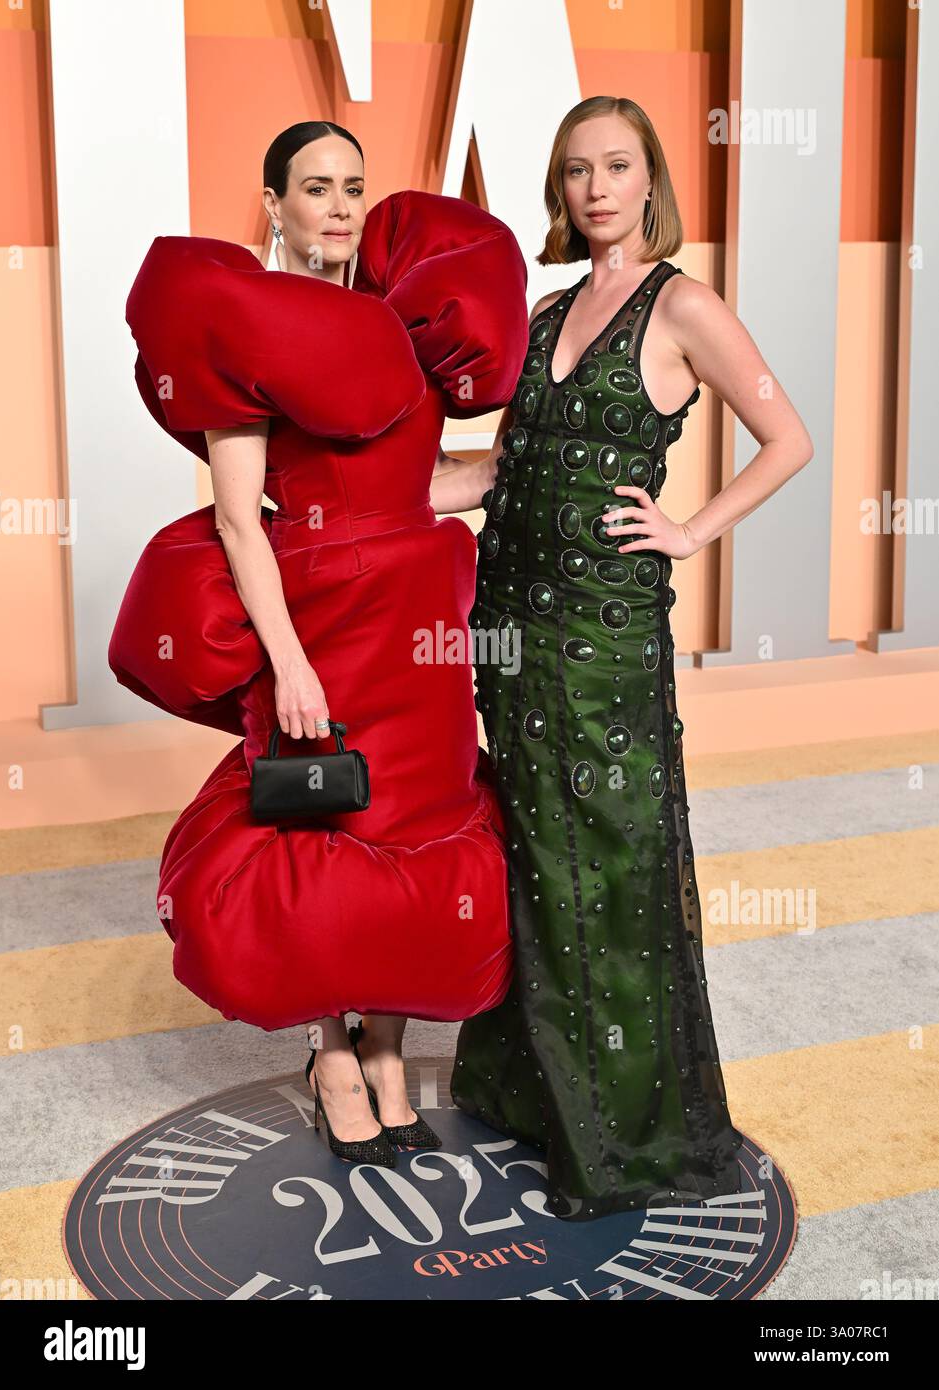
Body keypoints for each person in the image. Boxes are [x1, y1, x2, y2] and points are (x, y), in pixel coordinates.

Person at [109, 122, 528, 1167]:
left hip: (416, 624)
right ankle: (330, 1050)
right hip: (316, 628)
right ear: (273, 203)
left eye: (352, 187)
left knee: (417, 819)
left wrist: (538, 455)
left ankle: (387, 1049)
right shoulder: (244, 323)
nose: (338, 207)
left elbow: (415, 488)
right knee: (322, 827)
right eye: (314, 187)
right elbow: (244, 520)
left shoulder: (406, 324)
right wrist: (288, 663)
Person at [431, 96, 813, 1220]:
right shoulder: (546, 313)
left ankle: (631, 1140)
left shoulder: (683, 303)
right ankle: (531, 1089)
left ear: (650, 180)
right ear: (559, 190)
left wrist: (691, 529)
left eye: (617, 166)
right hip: (509, 632)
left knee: (613, 872)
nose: (596, 187)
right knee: (535, 859)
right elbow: (499, 470)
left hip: (601, 640)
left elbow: (788, 436)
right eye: (576, 170)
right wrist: (349, 492)